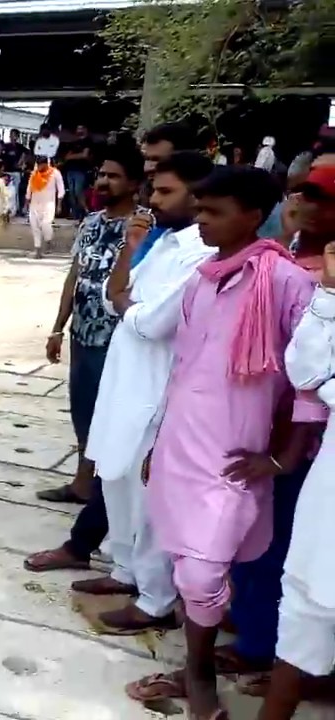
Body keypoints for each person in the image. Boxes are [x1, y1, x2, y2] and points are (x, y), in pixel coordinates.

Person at [123, 166, 321, 720]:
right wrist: (159, 440)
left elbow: (308, 377)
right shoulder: (204, 277)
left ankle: (199, 672)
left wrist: (282, 454)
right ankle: (194, 665)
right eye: (200, 210)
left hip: (234, 456)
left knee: (207, 571)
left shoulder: (287, 282)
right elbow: (183, 368)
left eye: (214, 212)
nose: (202, 221)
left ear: (253, 216)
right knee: (189, 564)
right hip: (183, 444)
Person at [74, 152, 216, 636]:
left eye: (164, 191)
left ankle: (155, 598)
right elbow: (119, 293)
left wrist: (126, 306)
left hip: (158, 383)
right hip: (125, 373)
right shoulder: (163, 241)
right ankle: (125, 572)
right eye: (153, 190)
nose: (152, 200)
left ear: (197, 195)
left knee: (146, 489)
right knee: (114, 474)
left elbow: (155, 322)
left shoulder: (202, 254)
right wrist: (131, 247)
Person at [24, 145, 144, 561]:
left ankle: (104, 497)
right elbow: (75, 276)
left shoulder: (141, 228)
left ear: (133, 183)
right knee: (81, 410)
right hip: (83, 332)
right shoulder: (91, 223)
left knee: (108, 417)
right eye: (100, 175)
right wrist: (58, 327)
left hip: (118, 336)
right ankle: (81, 482)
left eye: (112, 176)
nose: (102, 182)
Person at [258, 164, 335, 720]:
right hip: (320, 466)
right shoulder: (312, 275)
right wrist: (328, 296)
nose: (302, 204)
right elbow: (304, 371)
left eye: (317, 197)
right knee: (306, 589)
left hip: (307, 444)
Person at [26, 156, 64, 259]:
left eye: (41, 164)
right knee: (35, 227)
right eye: (38, 165)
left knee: (46, 224)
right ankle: (38, 250)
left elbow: (61, 189)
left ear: (46, 164)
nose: (39, 167)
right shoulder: (34, 174)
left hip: (49, 203)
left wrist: (59, 205)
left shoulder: (55, 173)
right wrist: (27, 201)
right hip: (34, 204)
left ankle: (48, 241)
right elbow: (29, 188)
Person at [61, 126, 93, 221]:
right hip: (70, 170)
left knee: (79, 191)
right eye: (77, 128)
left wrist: (73, 156)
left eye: (81, 128)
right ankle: (75, 215)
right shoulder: (74, 143)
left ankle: (85, 213)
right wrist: (76, 156)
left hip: (81, 170)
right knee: (71, 192)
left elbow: (85, 155)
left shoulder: (88, 141)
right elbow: (67, 157)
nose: (79, 130)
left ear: (85, 130)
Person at [0, 129, 30, 216]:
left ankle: (15, 209)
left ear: (17, 137)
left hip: (16, 172)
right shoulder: (6, 146)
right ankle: (6, 208)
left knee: (15, 191)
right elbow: (2, 156)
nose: (12, 137)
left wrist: (22, 162)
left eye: (13, 135)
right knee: (5, 191)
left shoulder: (20, 147)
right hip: (6, 171)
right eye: (11, 135)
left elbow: (28, 153)